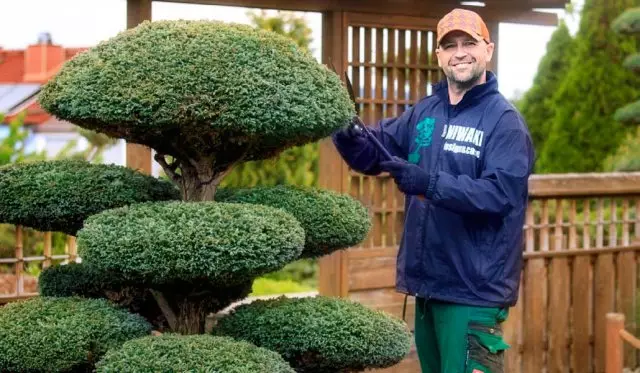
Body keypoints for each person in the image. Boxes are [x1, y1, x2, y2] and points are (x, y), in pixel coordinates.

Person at [331, 8, 535, 373]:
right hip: (428, 290)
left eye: (469, 43)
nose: (460, 52)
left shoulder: (504, 122)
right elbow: (372, 152)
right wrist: (345, 127)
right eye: (450, 45)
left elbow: (500, 195)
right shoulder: (426, 112)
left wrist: (428, 184)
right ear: (439, 56)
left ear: (488, 50)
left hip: (472, 295)